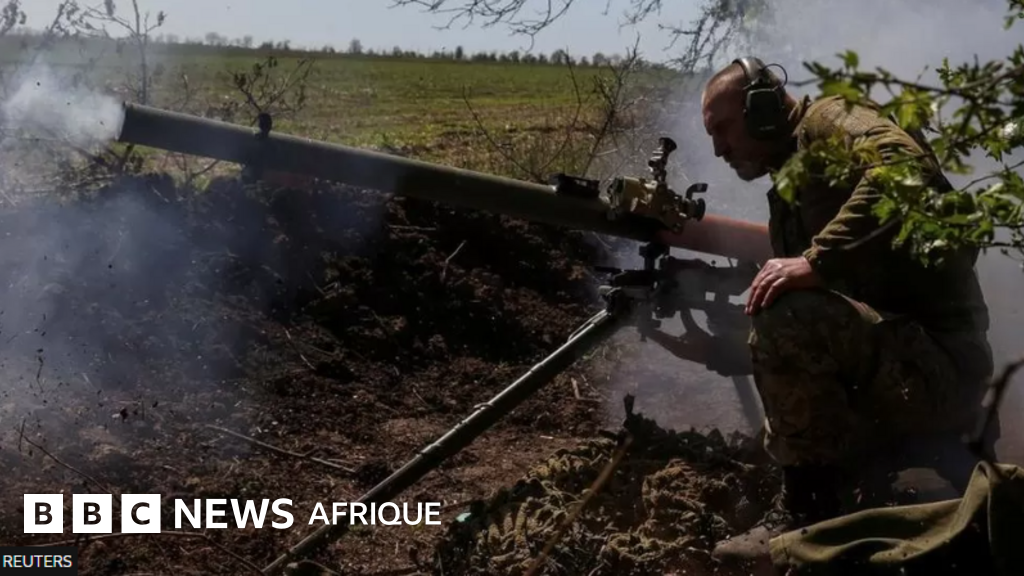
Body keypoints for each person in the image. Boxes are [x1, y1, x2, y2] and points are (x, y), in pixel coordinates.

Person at [699, 56, 998, 571]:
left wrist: (817, 261)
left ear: (764, 109)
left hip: (940, 372)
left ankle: (806, 518)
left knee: (789, 313)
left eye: (724, 128)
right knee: (782, 310)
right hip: (903, 368)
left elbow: (906, 169)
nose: (719, 148)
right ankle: (841, 485)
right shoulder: (793, 181)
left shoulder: (832, 120)